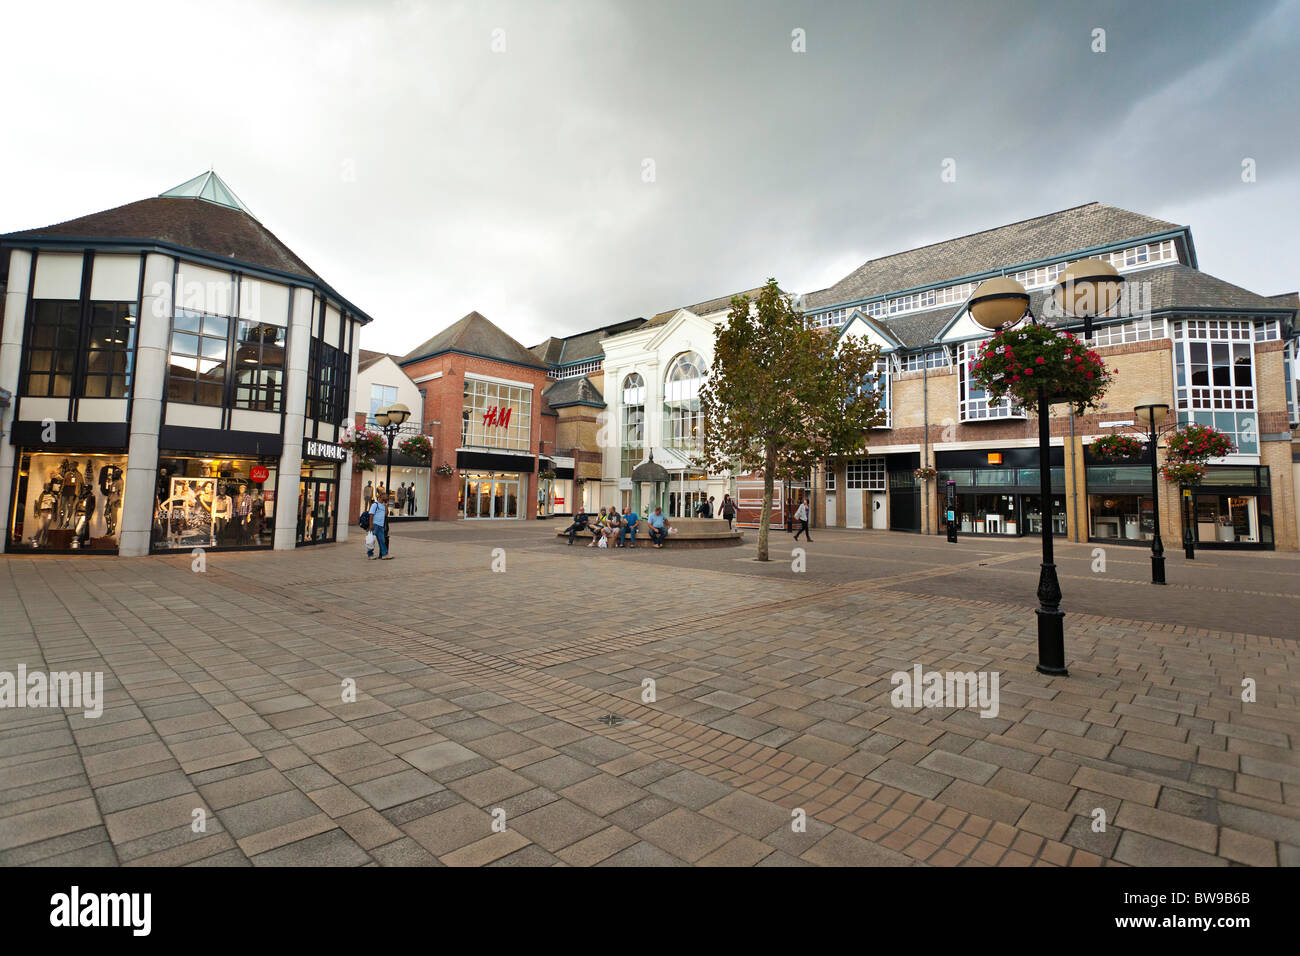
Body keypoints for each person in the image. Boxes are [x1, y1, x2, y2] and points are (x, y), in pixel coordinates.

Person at [368, 492, 391, 559]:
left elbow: (386, 514)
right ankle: (370, 555)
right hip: (375, 525)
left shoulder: (383, 505)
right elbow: (371, 515)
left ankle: (384, 554)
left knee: (382, 540)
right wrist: (371, 525)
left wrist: (386, 506)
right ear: (381, 496)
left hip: (381, 526)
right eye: (385, 496)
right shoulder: (375, 504)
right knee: (371, 540)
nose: (387, 498)